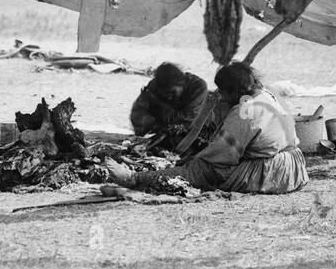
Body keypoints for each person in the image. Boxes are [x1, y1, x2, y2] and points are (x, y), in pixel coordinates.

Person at [106, 61, 308, 195]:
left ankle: (134, 179)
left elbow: (222, 155)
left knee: (200, 169)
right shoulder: (266, 94)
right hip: (295, 167)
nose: (219, 95)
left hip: (274, 173)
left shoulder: (245, 111)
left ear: (232, 91)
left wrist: (195, 161)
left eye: (223, 92)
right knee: (202, 160)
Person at [129, 62, 209, 146]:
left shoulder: (198, 87)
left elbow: (184, 119)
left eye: (172, 92)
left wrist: (157, 104)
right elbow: (138, 112)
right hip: (160, 129)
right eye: (166, 94)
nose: (170, 98)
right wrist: (142, 131)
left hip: (191, 131)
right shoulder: (154, 86)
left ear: (181, 82)